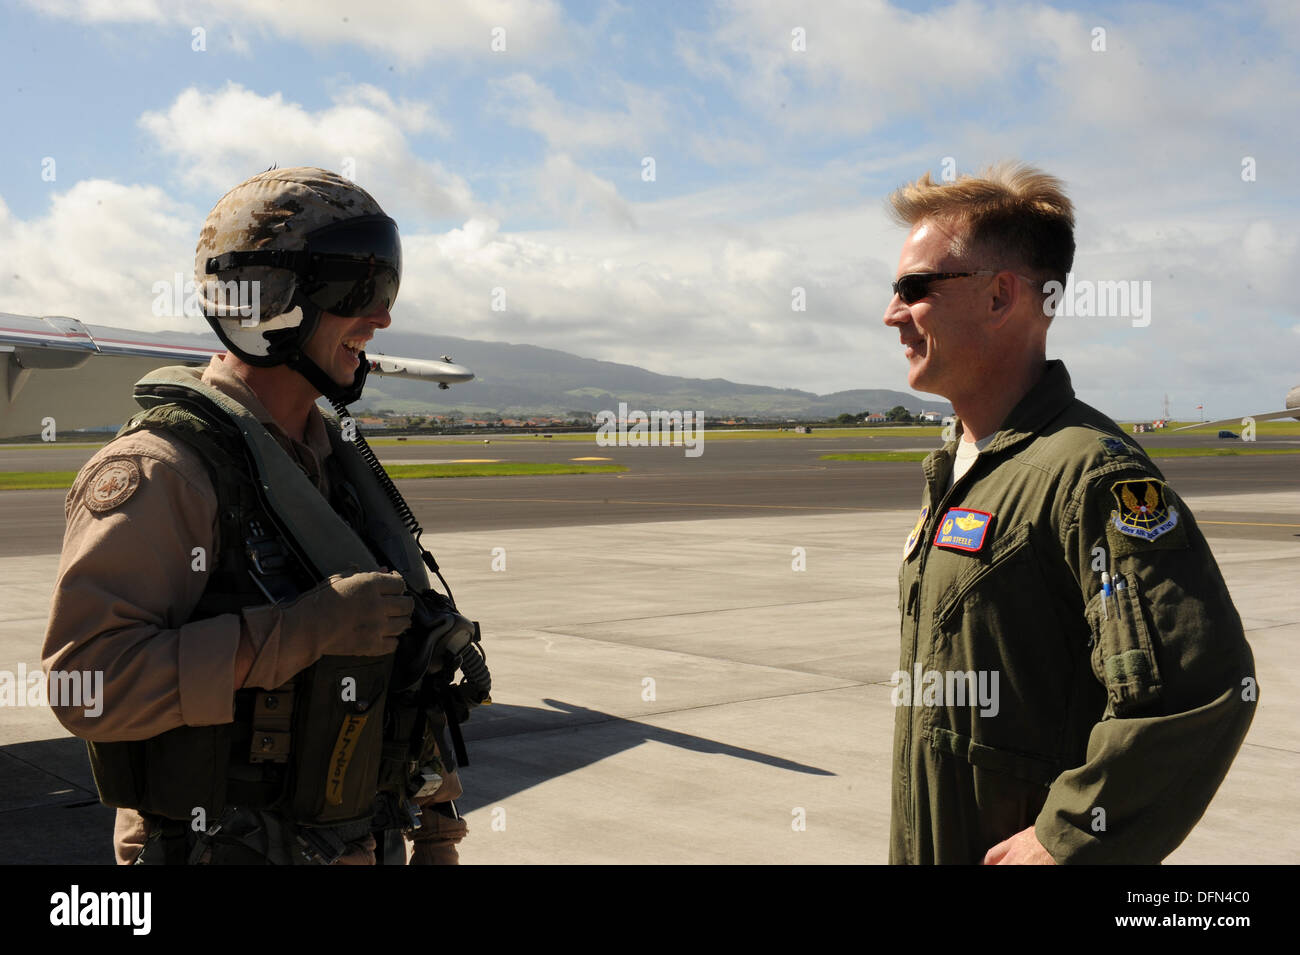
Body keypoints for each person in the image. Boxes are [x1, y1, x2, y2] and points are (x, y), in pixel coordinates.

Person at [42, 167, 482, 865]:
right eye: (357, 289)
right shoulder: (165, 471)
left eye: (387, 287)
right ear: (267, 299)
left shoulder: (334, 465)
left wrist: (436, 832)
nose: (383, 317)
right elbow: (85, 685)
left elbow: (401, 670)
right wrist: (296, 632)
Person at [881, 162, 1257, 864]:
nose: (892, 312)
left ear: (1001, 297)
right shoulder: (962, 470)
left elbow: (1201, 687)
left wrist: (1070, 836)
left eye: (915, 288)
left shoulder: (1089, 474)